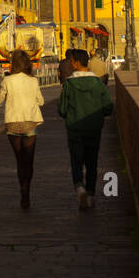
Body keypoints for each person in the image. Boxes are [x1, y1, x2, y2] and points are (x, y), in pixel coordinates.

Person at [58, 49, 113, 210]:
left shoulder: (69, 84)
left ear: (75, 63)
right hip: (94, 129)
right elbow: (108, 107)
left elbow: (62, 110)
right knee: (92, 162)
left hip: (75, 129)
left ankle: (79, 187)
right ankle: (90, 193)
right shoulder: (97, 83)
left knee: (76, 161)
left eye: (71, 61)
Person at [0, 49, 44, 209]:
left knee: (19, 160)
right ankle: (26, 189)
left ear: (13, 64)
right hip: (29, 122)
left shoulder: (8, 80)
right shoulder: (33, 81)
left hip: (13, 123)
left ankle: (21, 187)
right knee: (29, 161)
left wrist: (1, 92)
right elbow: (41, 101)